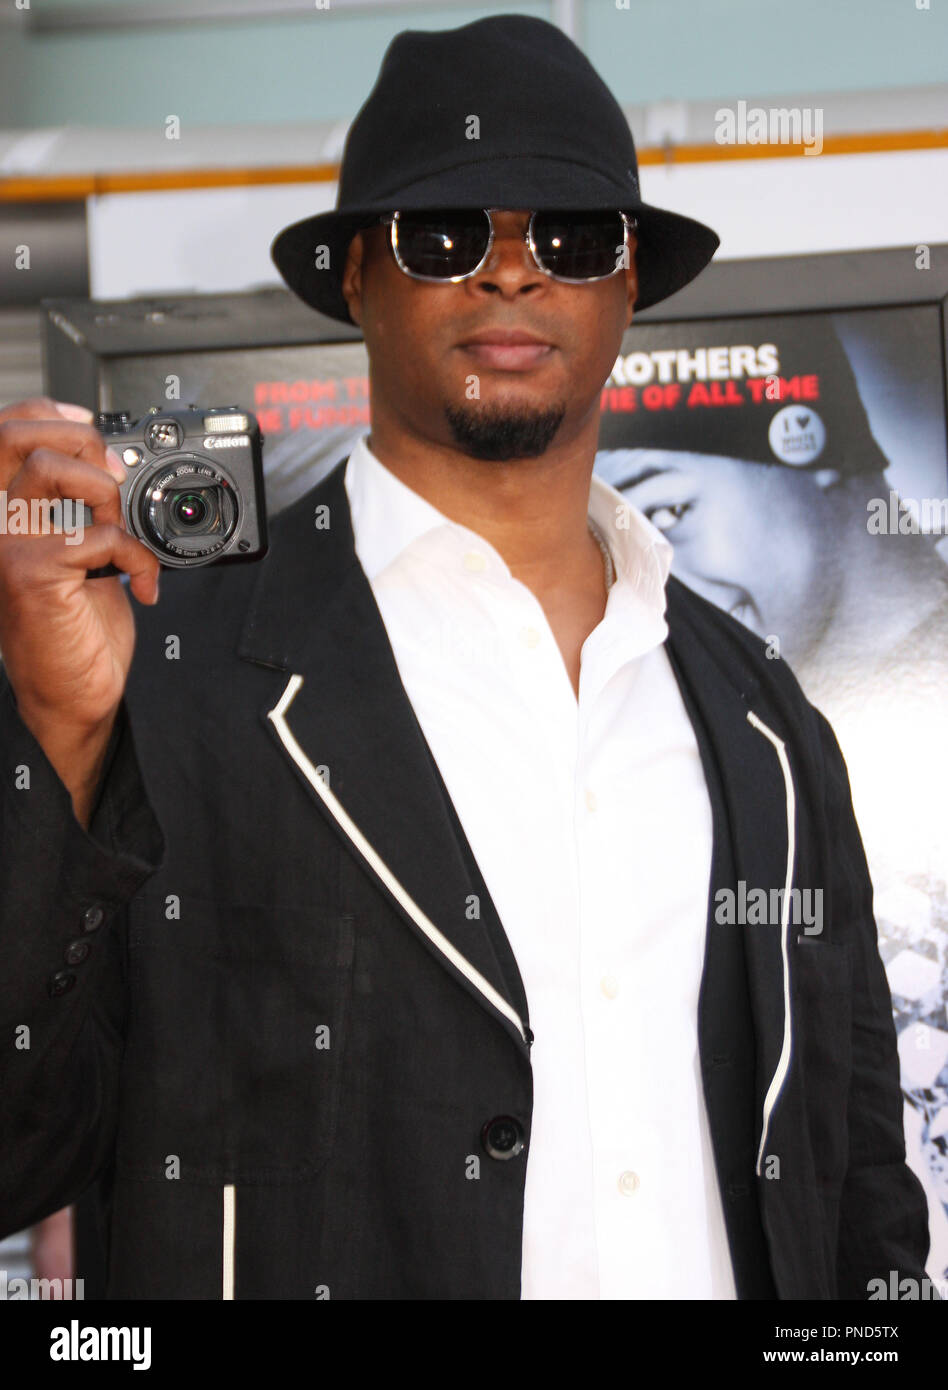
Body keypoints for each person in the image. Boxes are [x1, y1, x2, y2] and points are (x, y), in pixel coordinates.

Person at [0, 13, 932, 1300]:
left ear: (627, 285)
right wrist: (52, 742)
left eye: (570, 237)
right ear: (357, 280)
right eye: (444, 237)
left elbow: (860, 1184)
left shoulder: (767, 723)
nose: (511, 274)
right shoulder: (164, 669)